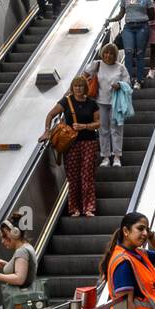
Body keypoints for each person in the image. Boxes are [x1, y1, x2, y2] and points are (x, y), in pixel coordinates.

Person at [41, 75, 99, 217]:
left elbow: (99, 123)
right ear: (72, 88)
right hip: (71, 144)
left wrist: (84, 126)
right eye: (76, 86)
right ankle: (74, 208)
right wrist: (47, 131)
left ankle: (89, 208)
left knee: (87, 175)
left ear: (85, 88)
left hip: (89, 142)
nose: (78, 89)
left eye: (81, 86)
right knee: (73, 176)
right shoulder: (66, 102)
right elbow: (50, 115)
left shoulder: (92, 104)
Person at [84, 43, 130, 168]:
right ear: (102, 53)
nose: (108, 55)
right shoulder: (97, 64)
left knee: (116, 129)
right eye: (106, 52)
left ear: (115, 55)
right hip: (100, 102)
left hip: (116, 103)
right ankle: (105, 157)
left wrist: (120, 85)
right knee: (103, 130)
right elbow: (83, 77)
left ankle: (116, 157)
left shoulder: (120, 68)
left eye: (111, 53)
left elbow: (128, 84)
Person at [109, 0, 152, 89]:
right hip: (129, 27)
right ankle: (128, 80)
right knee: (128, 52)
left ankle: (139, 80)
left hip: (142, 26)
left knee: (139, 53)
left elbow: (152, 16)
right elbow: (120, 15)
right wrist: (110, 20)